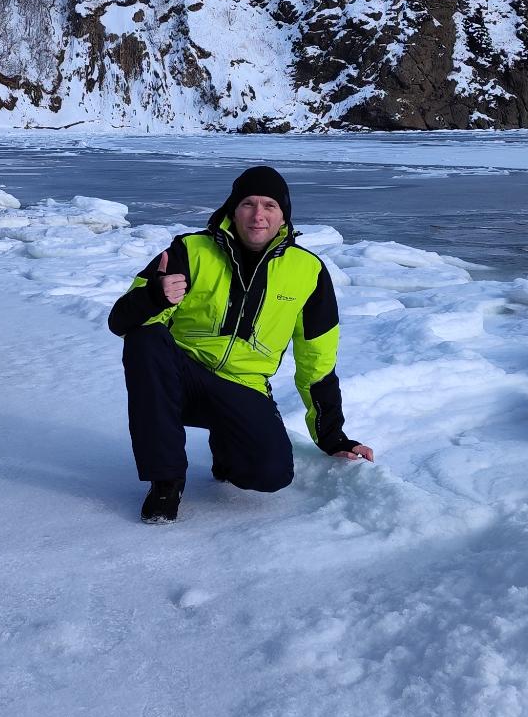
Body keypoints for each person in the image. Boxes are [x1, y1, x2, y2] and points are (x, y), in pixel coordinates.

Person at [107, 164, 373, 523]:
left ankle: (227, 445)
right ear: (233, 208)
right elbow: (121, 322)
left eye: (269, 206)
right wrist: (154, 298)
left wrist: (333, 438)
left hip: (243, 387)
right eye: (248, 203)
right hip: (181, 378)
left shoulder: (308, 272)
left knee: (272, 474)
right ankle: (166, 481)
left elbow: (318, 362)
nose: (258, 215)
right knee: (145, 338)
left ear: (283, 216)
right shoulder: (190, 250)